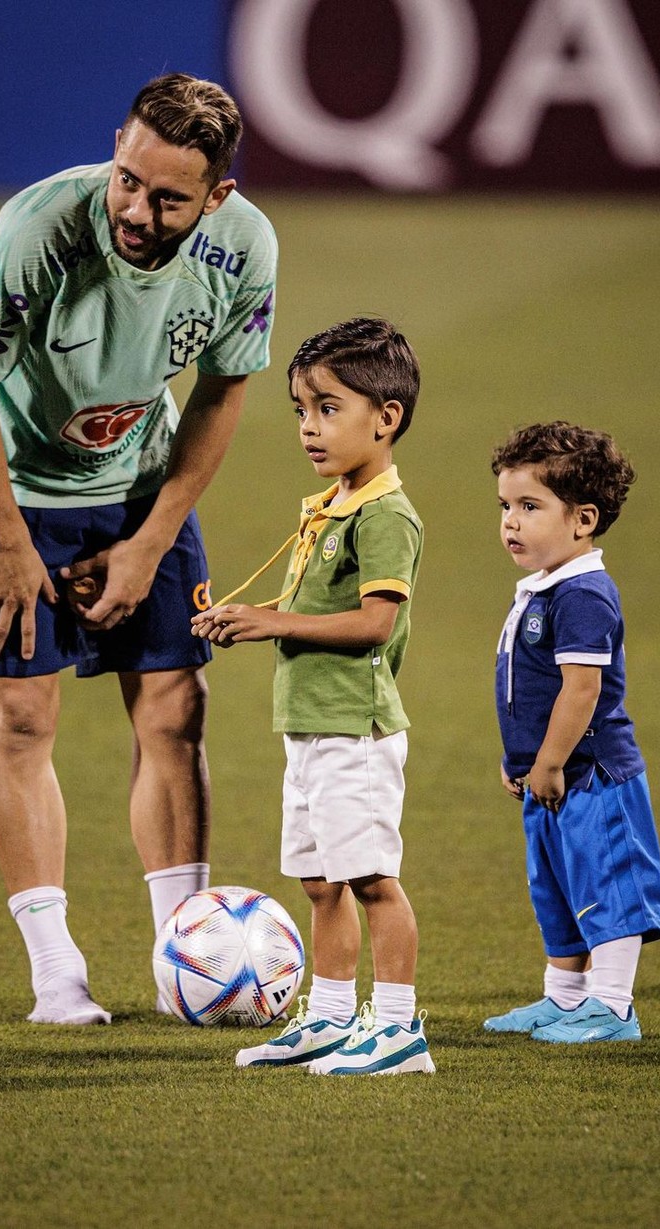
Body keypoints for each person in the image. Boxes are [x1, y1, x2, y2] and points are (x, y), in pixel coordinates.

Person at [0, 73, 278, 1025]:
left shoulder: (245, 246)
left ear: (217, 198)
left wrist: (151, 540)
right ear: (116, 146)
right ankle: (56, 973)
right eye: (127, 178)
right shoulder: (39, 228)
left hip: (138, 479)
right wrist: (8, 544)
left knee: (176, 707)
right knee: (20, 721)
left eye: (168, 196)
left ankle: (185, 960)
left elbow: (221, 392)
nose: (134, 207)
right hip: (13, 484)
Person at [192, 317, 434, 1076]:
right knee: (321, 880)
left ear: (385, 418)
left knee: (370, 879)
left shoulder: (386, 513)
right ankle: (330, 1019)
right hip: (309, 727)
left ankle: (398, 1032)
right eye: (300, 409)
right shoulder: (334, 501)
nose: (309, 426)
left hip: (353, 732)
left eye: (328, 407)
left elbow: (373, 622)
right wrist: (246, 616)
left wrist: (270, 620)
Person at [486, 421, 660, 1043]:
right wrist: (525, 761)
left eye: (530, 507)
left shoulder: (585, 593)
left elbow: (582, 690)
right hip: (550, 774)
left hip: (590, 774)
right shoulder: (544, 585)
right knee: (558, 888)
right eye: (506, 506)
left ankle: (613, 1007)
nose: (511, 521)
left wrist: (549, 762)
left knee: (605, 883)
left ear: (583, 519)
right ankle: (565, 999)